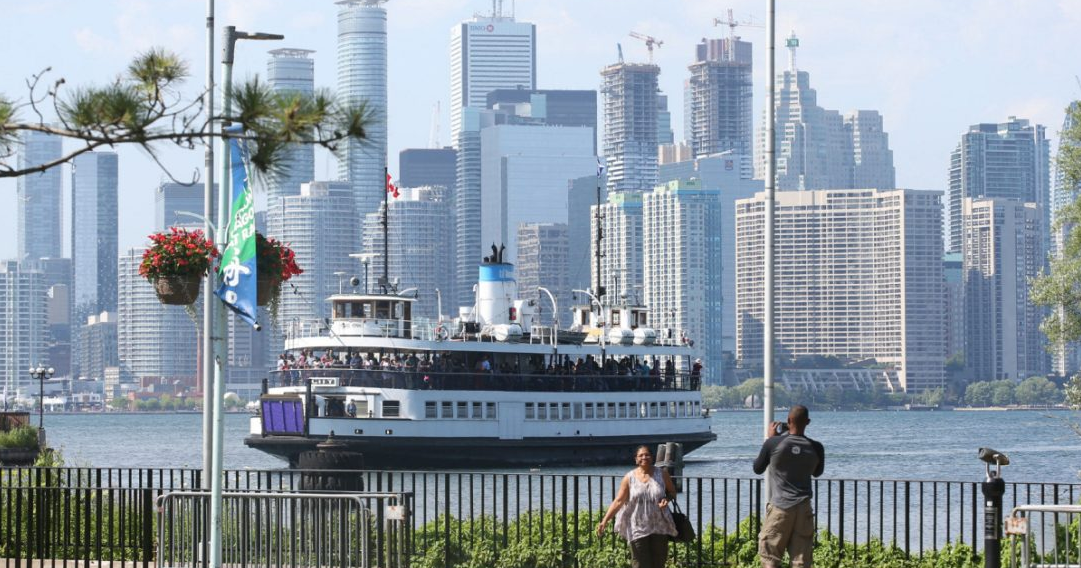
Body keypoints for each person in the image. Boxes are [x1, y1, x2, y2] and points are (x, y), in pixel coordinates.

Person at [752, 405, 825, 568]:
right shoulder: (816, 447)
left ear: (788, 421)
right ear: (808, 422)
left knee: (770, 556)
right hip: (803, 507)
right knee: (801, 560)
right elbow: (817, 473)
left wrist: (769, 440)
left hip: (780, 507)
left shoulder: (773, 443)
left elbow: (757, 468)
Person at [596, 445, 677, 568]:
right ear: (636, 459)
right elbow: (618, 501)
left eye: (647, 455)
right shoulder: (629, 478)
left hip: (660, 525)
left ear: (652, 457)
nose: (644, 457)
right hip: (637, 527)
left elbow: (672, 493)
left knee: (659, 563)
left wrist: (667, 499)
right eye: (641, 455)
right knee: (640, 564)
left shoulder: (662, 474)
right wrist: (604, 521)